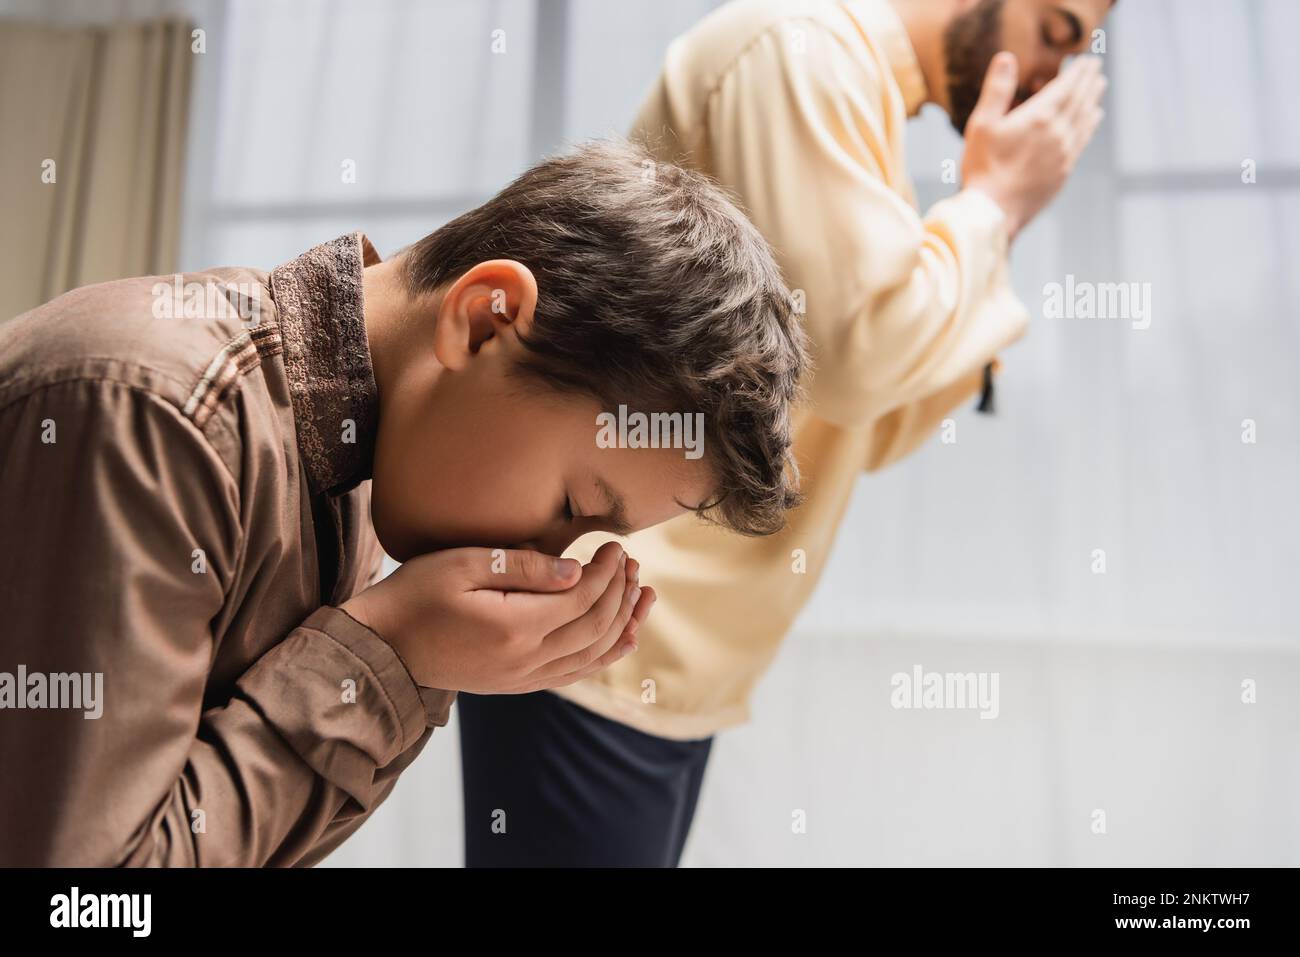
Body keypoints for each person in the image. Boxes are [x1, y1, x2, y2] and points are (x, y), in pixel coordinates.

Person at [0, 140, 806, 865]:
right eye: (572, 503)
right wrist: (390, 654)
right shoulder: (158, 415)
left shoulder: (354, 486)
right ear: (485, 320)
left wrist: (414, 661)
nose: (550, 559)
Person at [458, 0, 1114, 867]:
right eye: (1055, 33)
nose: (1050, 78)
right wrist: (991, 205)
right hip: (598, 622)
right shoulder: (799, 55)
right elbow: (857, 364)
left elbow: (861, 422)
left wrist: (998, 217)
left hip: (651, 640)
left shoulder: (856, 97)